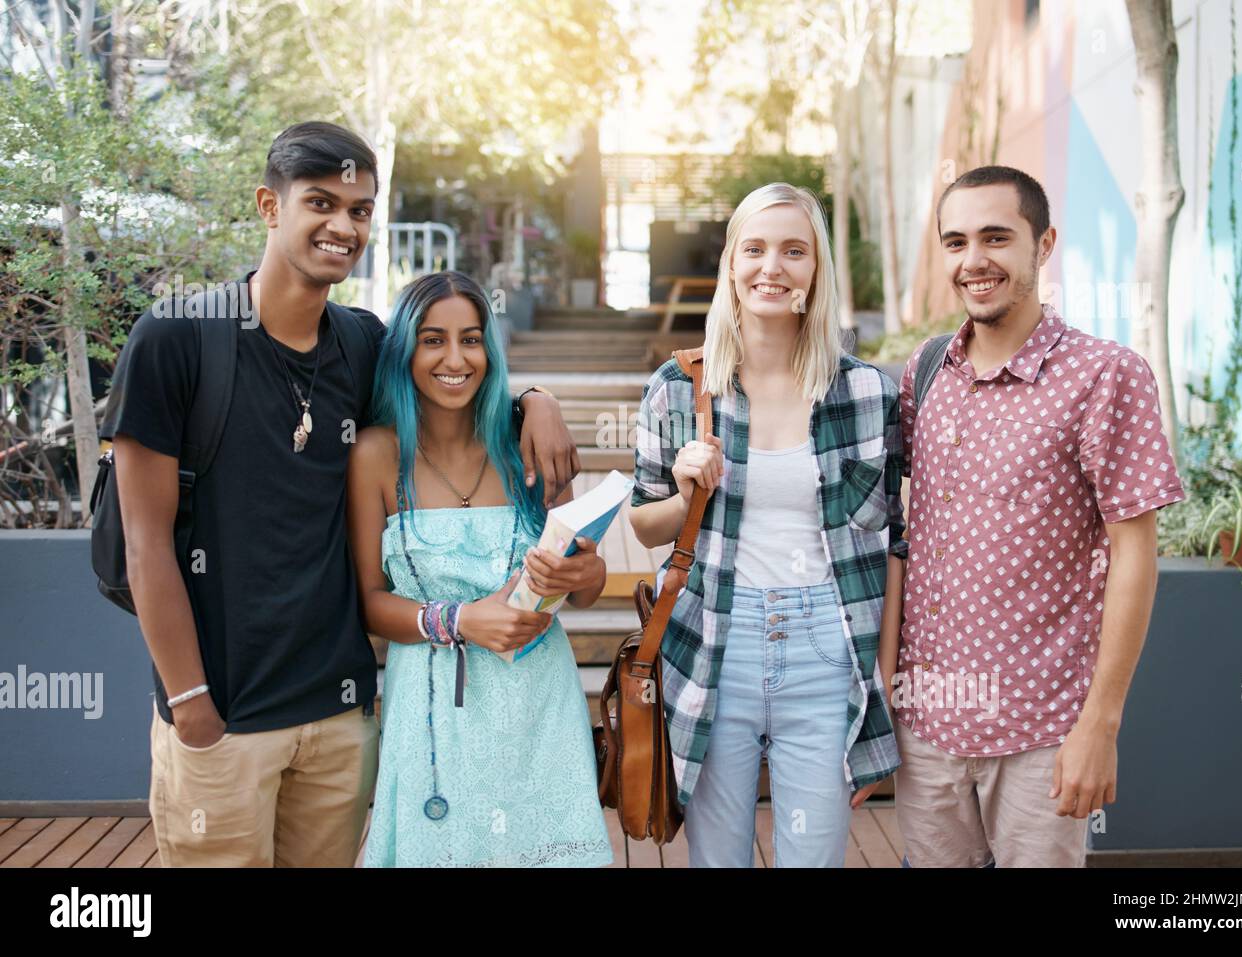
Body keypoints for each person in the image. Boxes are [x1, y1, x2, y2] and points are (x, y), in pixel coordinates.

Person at [102, 122, 578, 867]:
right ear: (269, 205)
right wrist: (191, 705)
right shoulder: (177, 336)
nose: (342, 225)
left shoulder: (361, 345)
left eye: (359, 209)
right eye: (320, 202)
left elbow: (453, 375)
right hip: (225, 716)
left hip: (338, 717)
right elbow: (143, 542)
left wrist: (537, 401)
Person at [880, 165, 1185, 868]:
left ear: (1043, 243)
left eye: (996, 237)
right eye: (955, 242)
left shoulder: (1105, 374)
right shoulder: (924, 371)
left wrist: (1100, 724)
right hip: (926, 729)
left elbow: (1135, 552)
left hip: (1043, 728)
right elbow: (904, 537)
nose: (974, 260)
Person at [629, 183, 905, 867]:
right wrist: (688, 485)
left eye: (793, 251)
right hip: (715, 636)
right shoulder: (680, 386)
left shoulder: (868, 393)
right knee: (717, 855)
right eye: (753, 249)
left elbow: (894, 540)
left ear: (817, 270)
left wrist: (886, 679)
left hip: (826, 644)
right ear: (730, 265)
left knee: (812, 853)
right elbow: (642, 523)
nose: (771, 268)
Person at [349, 271, 613, 867]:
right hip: (434, 714)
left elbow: (590, 586)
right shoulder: (375, 455)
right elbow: (367, 602)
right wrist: (459, 620)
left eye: (471, 339)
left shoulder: (526, 442)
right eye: (432, 339)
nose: (455, 358)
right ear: (405, 350)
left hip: (539, 703)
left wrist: (579, 577)